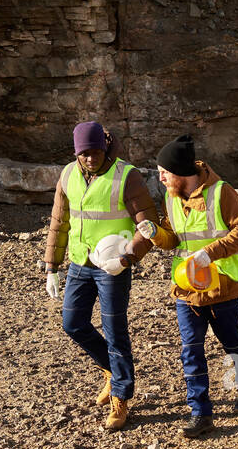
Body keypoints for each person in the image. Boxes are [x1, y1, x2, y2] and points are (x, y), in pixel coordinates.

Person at [43, 121, 156, 431]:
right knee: (72, 323)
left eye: (95, 152)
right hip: (80, 263)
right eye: (83, 154)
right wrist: (51, 267)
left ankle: (122, 397)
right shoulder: (68, 175)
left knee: (115, 330)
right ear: (76, 153)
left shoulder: (126, 175)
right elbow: (59, 222)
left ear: (104, 148)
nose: (90, 159)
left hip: (112, 268)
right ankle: (112, 370)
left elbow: (149, 225)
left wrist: (128, 257)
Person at [146, 134, 238, 439]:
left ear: (180, 172)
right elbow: (172, 240)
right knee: (190, 350)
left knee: (233, 343)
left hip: (221, 286)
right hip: (186, 289)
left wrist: (209, 253)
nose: (161, 178)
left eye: (164, 173)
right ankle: (201, 413)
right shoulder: (171, 197)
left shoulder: (222, 193)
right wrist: (155, 233)